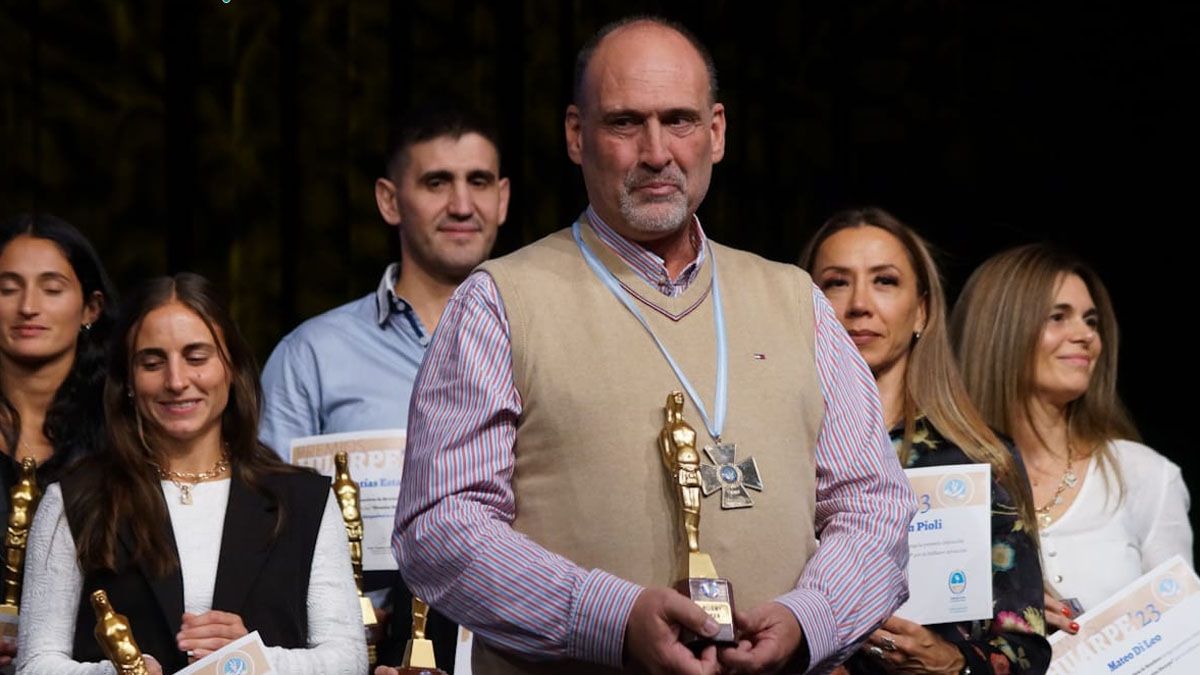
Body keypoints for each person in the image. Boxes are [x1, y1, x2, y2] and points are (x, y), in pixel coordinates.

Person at [386, 16, 916, 675]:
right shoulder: (499, 303)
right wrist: (609, 618)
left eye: (680, 120)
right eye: (625, 123)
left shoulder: (793, 298)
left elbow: (874, 504)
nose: (657, 151)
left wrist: (811, 617)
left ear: (716, 131)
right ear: (576, 135)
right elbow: (440, 528)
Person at [16, 273, 367, 674]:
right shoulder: (76, 499)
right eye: (152, 363)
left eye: (197, 358)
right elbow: (35, 664)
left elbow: (349, 661)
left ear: (231, 368)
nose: (177, 381)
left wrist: (253, 661)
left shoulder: (304, 499)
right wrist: (118, 672)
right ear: (128, 381)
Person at [260, 102, 508, 668]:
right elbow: (268, 533)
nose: (462, 204)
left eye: (478, 181)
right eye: (436, 182)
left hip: (511, 653)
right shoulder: (311, 357)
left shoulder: (541, 345)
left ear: (503, 197)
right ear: (389, 200)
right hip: (362, 654)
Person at [800, 207, 1050, 673]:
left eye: (884, 281)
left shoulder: (980, 457)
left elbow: (1026, 648)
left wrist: (952, 663)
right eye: (835, 283)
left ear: (922, 311)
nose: (859, 304)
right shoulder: (778, 457)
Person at [950, 244, 1192, 633]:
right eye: (1058, 317)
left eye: (1090, 321)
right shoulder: (949, 483)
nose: (1085, 336)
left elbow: (1183, 637)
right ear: (1000, 330)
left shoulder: (1145, 475)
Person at [0, 213, 115, 668]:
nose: (28, 307)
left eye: (51, 289)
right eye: (7, 288)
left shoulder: (126, 430)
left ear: (91, 308)